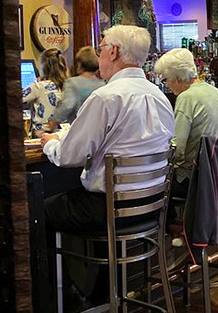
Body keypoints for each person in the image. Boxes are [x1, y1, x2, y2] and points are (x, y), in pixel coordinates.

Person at [41, 25, 174, 234]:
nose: (98, 55)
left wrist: (50, 144)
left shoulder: (106, 97)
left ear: (113, 51)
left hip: (108, 209)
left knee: (37, 211)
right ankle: (112, 267)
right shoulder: (160, 97)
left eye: (100, 48)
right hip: (152, 205)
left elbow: (69, 156)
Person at [154, 47, 218, 198]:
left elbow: (178, 149)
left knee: (151, 186)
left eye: (165, 79)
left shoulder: (186, 98)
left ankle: (164, 222)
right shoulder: (215, 91)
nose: (166, 84)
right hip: (217, 174)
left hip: (193, 178)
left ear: (176, 77)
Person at [46, 45, 104, 128]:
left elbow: (67, 106)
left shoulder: (72, 83)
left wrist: (52, 123)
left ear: (80, 64)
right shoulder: (103, 84)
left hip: (79, 130)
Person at [22, 48, 68, 134]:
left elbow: (14, 100)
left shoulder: (38, 86)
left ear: (43, 67)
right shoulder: (70, 85)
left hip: (42, 135)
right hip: (64, 134)